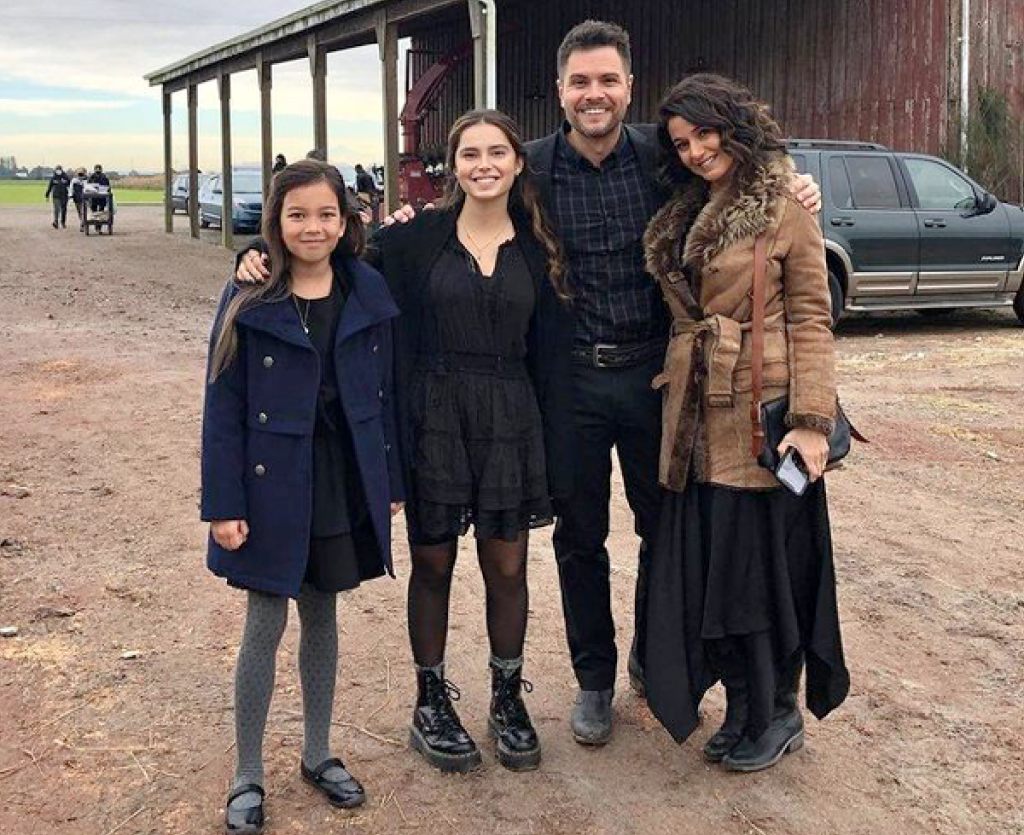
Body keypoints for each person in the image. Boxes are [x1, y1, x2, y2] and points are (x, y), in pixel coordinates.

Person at [237, 19, 821, 748]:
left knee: (667, 531)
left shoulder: (660, 158)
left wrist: (791, 178)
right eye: (580, 82)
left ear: (628, 87)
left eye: (608, 80)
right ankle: (594, 680)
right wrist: (264, 249)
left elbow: (732, 166)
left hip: (653, 379)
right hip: (568, 384)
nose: (594, 93)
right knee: (578, 538)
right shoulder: (532, 169)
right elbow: (366, 245)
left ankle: (656, 660)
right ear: (559, 92)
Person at [235, 110, 573, 775]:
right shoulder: (415, 240)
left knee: (508, 566)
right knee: (436, 561)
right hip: (432, 415)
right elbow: (326, 251)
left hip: (511, 416)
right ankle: (430, 702)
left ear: (516, 162)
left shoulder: (540, 243)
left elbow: (553, 351)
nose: (483, 163)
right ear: (453, 164)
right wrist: (255, 247)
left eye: (496, 151)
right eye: (469, 151)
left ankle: (507, 696)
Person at [641, 73, 850, 772]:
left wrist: (813, 421)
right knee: (717, 570)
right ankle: (741, 704)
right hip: (699, 413)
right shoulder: (687, 207)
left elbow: (814, 315)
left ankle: (779, 711)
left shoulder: (783, 203)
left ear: (734, 125)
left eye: (705, 133)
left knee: (763, 570)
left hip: (765, 414)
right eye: (683, 142)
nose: (698, 150)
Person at [200, 159, 403, 833]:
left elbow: (386, 395)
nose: (312, 227)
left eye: (325, 214)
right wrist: (223, 502)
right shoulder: (249, 297)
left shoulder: (366, 288)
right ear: (276, 225)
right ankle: (247, 770)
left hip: (339, 480)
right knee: (265, 621)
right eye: (297, 215)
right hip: (271, 483)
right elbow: (221, 408)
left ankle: (318, 752)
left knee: (323, 615)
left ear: (345, 221)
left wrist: (389, 480)